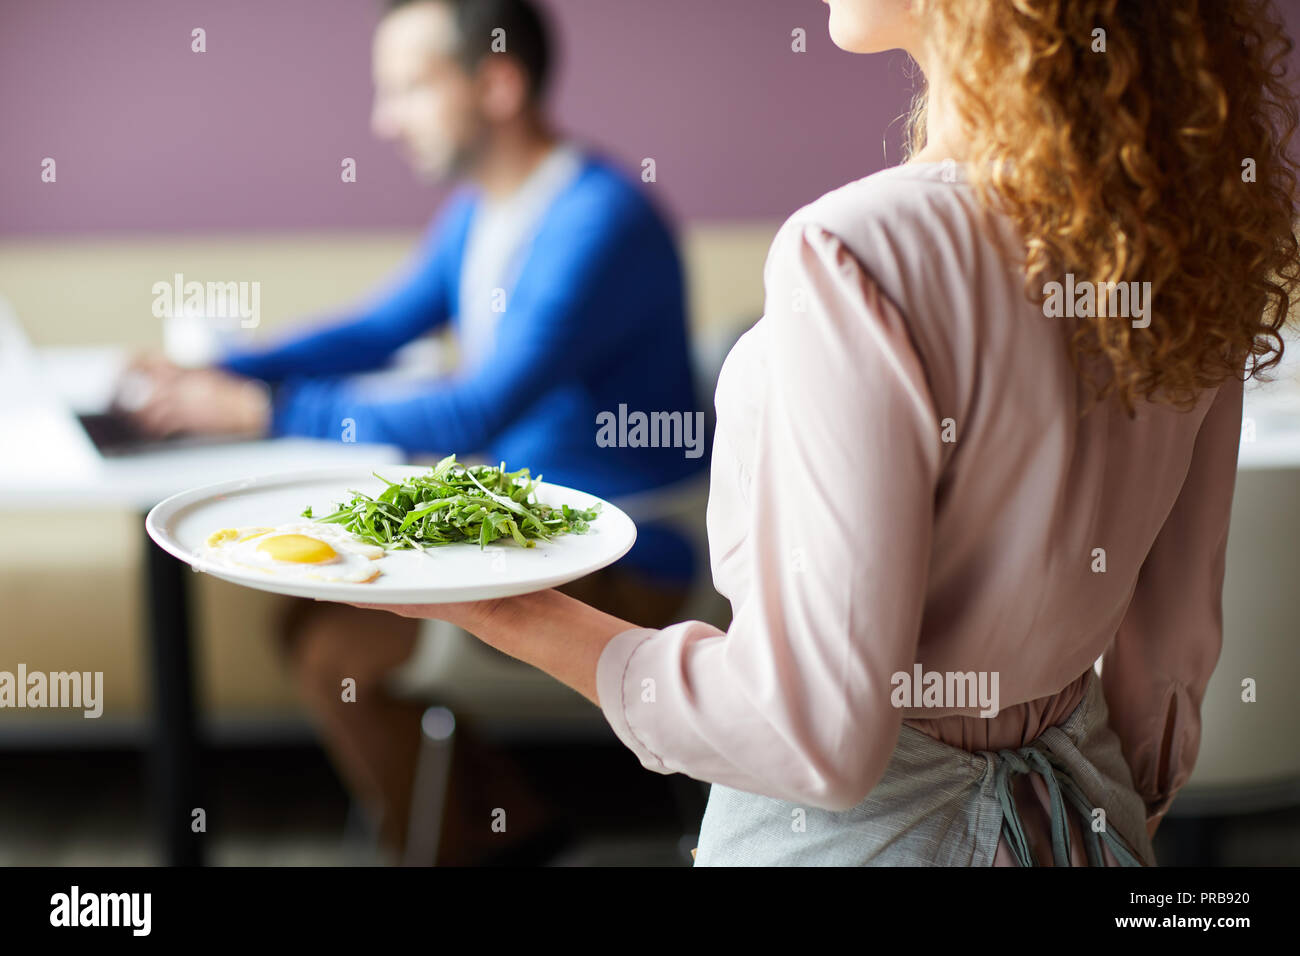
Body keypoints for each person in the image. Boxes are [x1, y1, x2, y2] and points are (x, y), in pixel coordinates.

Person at [351, 0, 1300, 866]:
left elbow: (815, 738)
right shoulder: (1185, 240)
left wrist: (498, 606)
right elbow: (1169, 657)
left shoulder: (857, 249)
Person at [122, 0, 708, 862]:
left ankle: (451, 843)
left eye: (407, 89)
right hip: (531, 536)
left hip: (623, 555)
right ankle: (504, 831)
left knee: (337, 651)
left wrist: (258, 412)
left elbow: (477, 410)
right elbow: (375, 328)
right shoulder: (487, 210)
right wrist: (232, 369)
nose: (383, 119)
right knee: (305, 624)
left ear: (499, 82)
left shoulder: (598, 219)